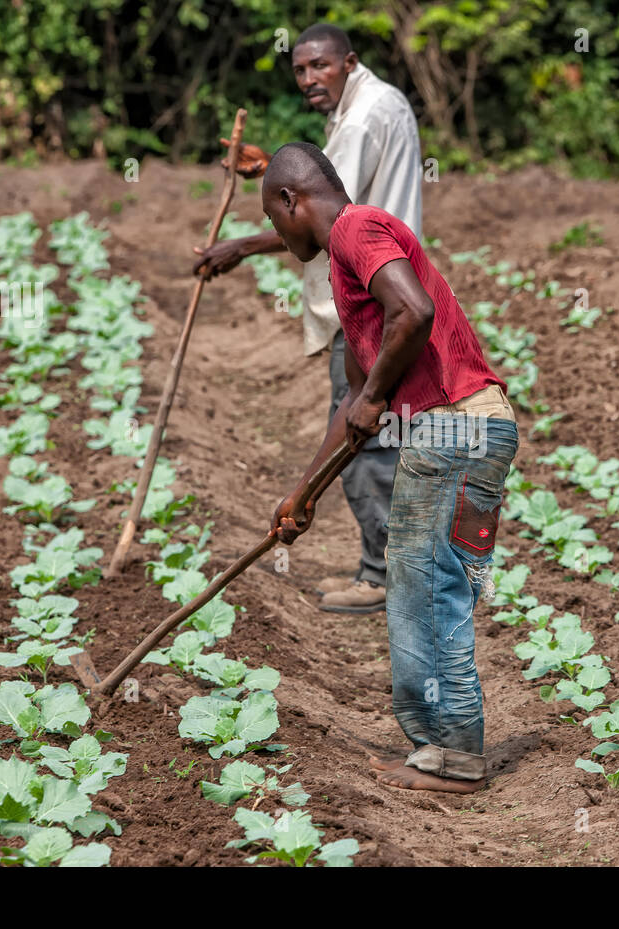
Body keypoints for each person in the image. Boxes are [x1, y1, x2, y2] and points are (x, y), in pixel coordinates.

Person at [262, 142, 517, 793]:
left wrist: (377, 395)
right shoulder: (349, 282)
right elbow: (351, 408)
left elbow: (417, 311)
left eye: (273, 218)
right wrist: (303, 497)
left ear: (292, 199)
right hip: (460, 433)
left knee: (430, 586)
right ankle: (437, 749)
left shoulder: (357, 229)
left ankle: (456, 757)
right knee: (422, 583)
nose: (276, 235)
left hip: (457, 428)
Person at [194, 23, 422, 615]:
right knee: (370, 429)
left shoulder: (367, 113)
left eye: (319, 67)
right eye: (299, 70)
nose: (308, 79)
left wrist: (238, 247)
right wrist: (273, 166)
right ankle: (402, 569)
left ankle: (383, 576)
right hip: (378, 284)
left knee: (360, 434)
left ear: (348, 62)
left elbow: (321, 205)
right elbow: (318, 190)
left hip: (374, 296)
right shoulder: (369, 104)